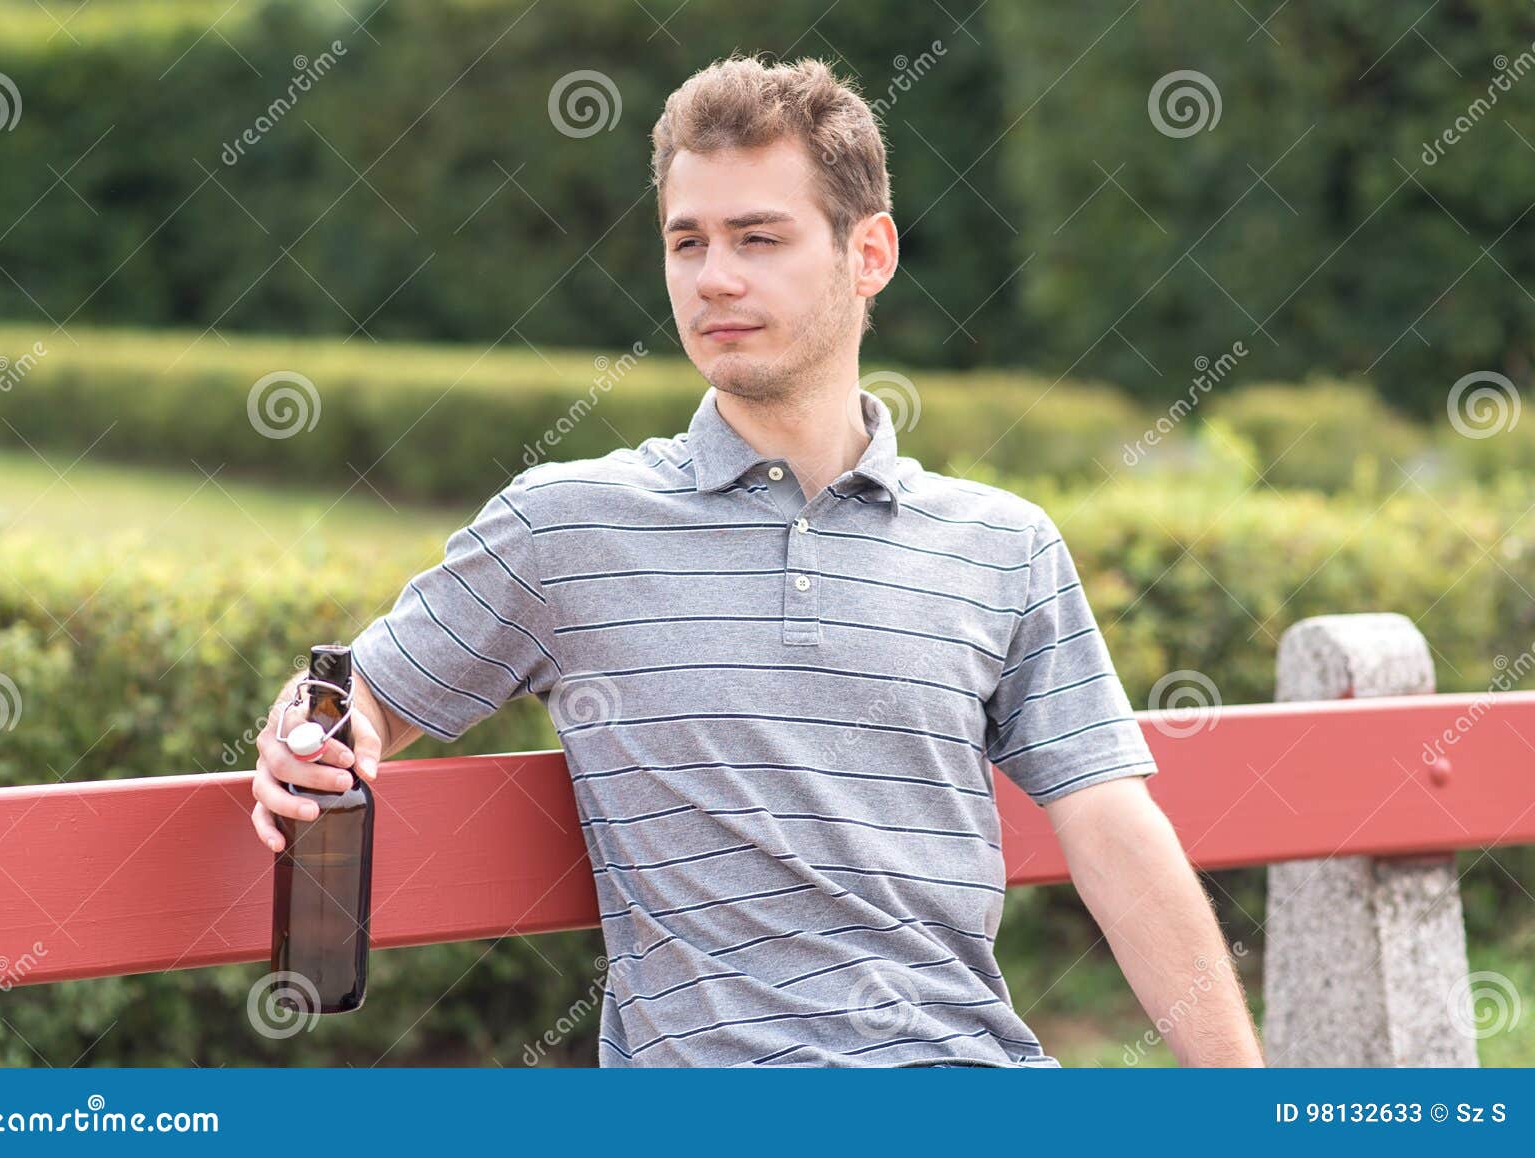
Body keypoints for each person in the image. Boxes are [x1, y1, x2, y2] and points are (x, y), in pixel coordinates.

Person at [253, 53, 1264, 1069]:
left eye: (757, 238)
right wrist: (306, 732)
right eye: (685, 242)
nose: (713, 278)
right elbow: (359, 699)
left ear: (867, 253)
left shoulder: (1001, 545)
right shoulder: (569, 527)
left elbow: (1111, 829)